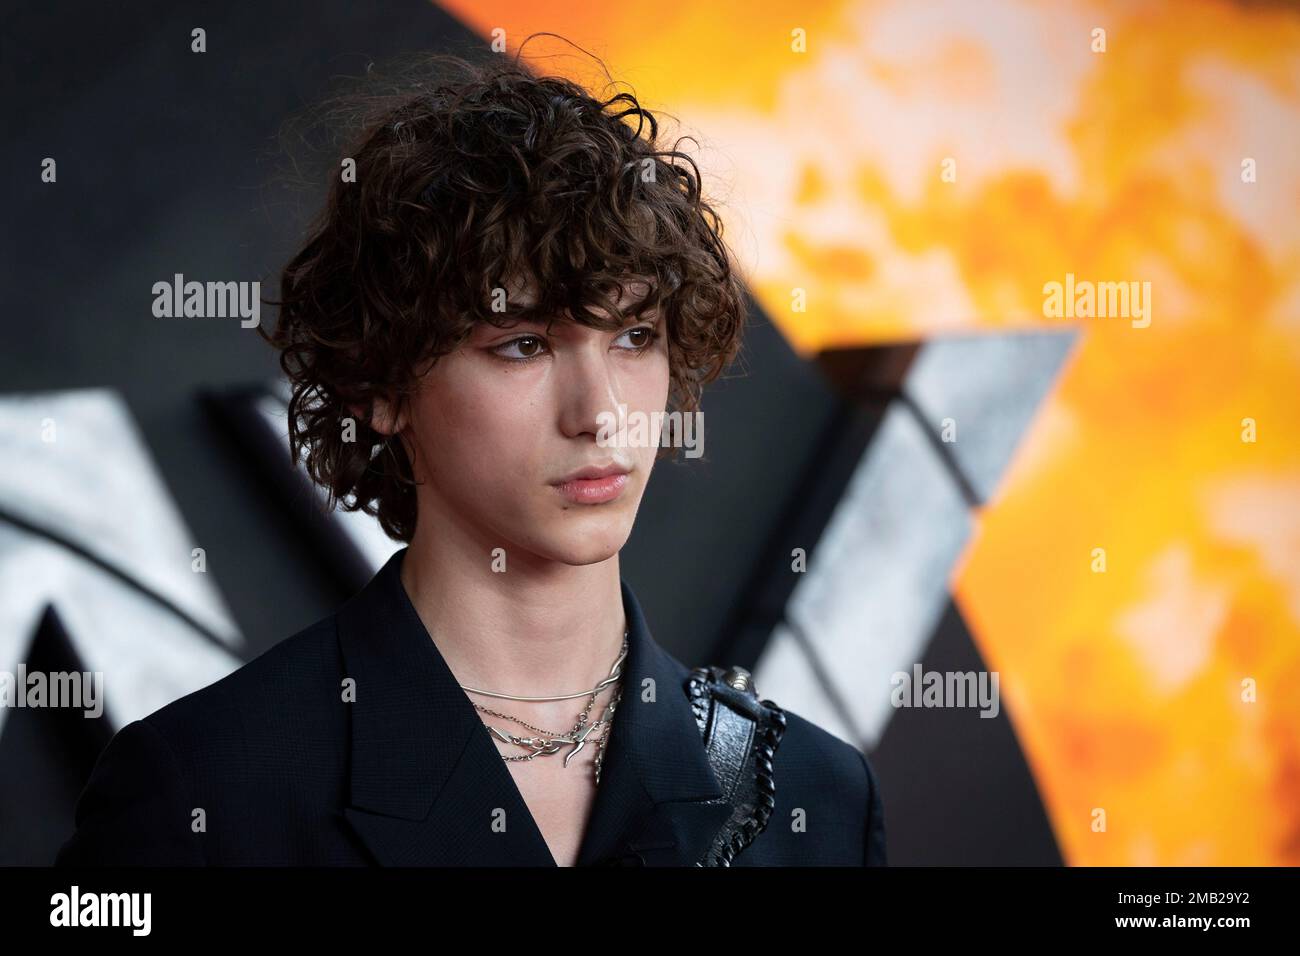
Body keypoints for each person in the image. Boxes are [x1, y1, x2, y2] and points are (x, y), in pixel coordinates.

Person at [54, 45, 886, 867]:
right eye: (524, 346)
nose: (600, 413)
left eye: (635, 336)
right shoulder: (205, 791)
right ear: (381, 383)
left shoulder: (815, 798)